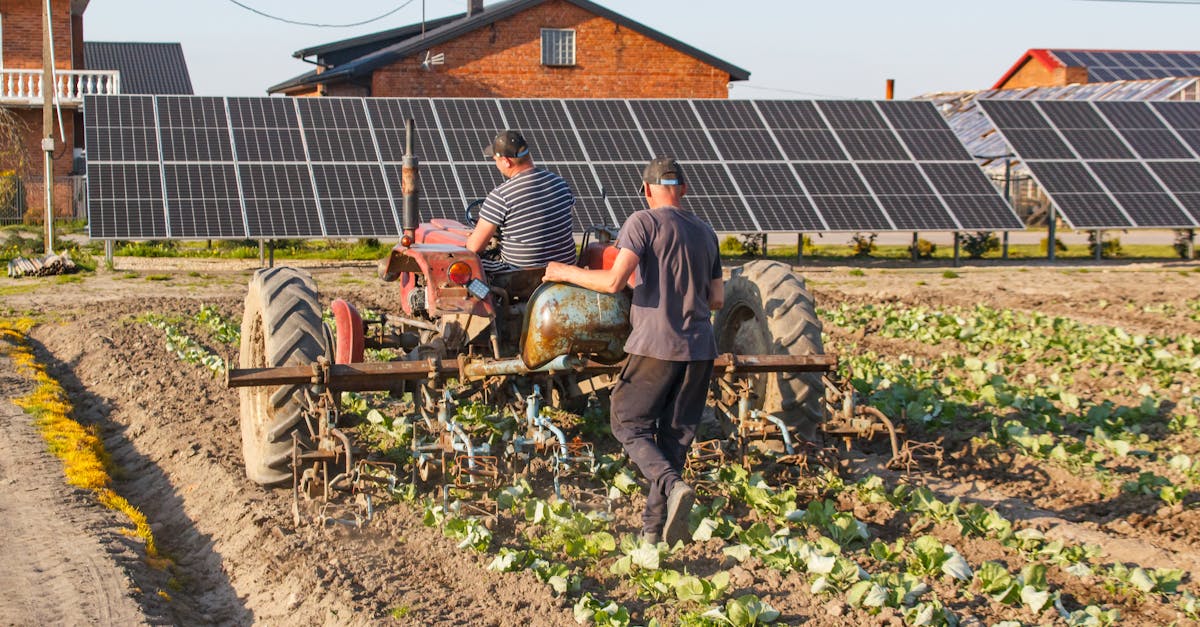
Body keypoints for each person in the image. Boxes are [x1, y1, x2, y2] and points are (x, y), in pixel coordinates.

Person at [543, 157, 722, 547]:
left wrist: (562, 272)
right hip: (701, 349)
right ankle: (653, 534)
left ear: (646, 190)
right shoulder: (707, 232)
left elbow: (612, 282)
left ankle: (673, 487)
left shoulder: (643, 221)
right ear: (685, 189)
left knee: (627, 422)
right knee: (674, 439)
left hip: (658, 344)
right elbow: (718, 298)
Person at [467, 130, 577, 276]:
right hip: (566, 269)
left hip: (520, 276)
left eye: (495, 160)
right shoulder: (560, 184)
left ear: (506, 161)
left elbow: (474, 248)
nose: (496, 164)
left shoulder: (501, 196)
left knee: (469, 262)